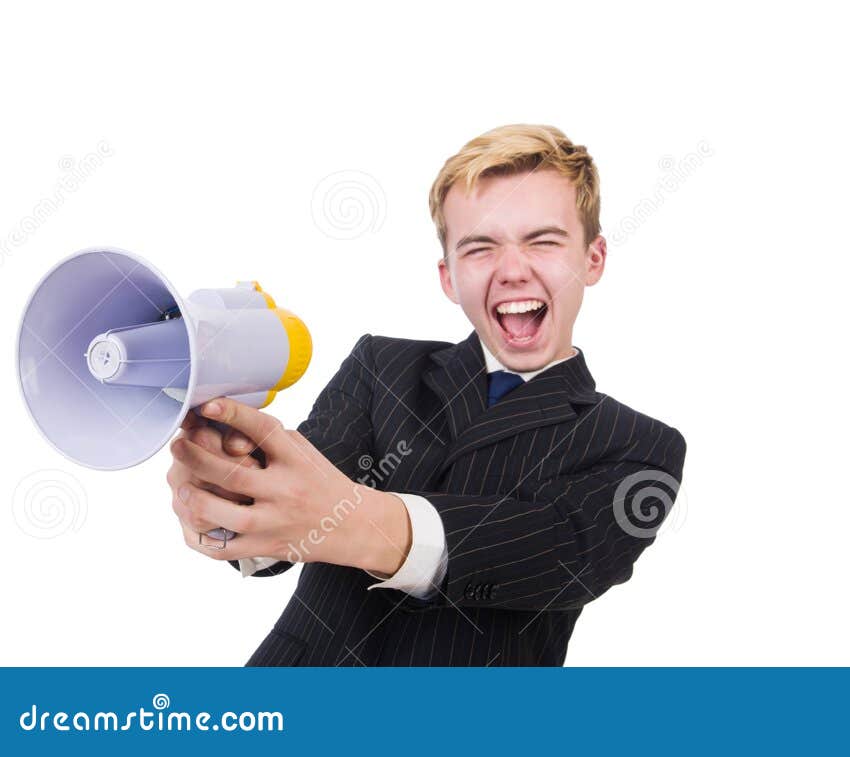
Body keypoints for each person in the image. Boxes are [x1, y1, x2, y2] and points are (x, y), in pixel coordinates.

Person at [167, 124, 686, 666]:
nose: (512, 270)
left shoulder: (641, 447)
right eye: (480, 248)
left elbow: (559, 561)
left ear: (593, 258)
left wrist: (356, 520)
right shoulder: (383, 367)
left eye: (544, 241)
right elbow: (282, 531)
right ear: (449, 276)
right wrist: (225, 501)